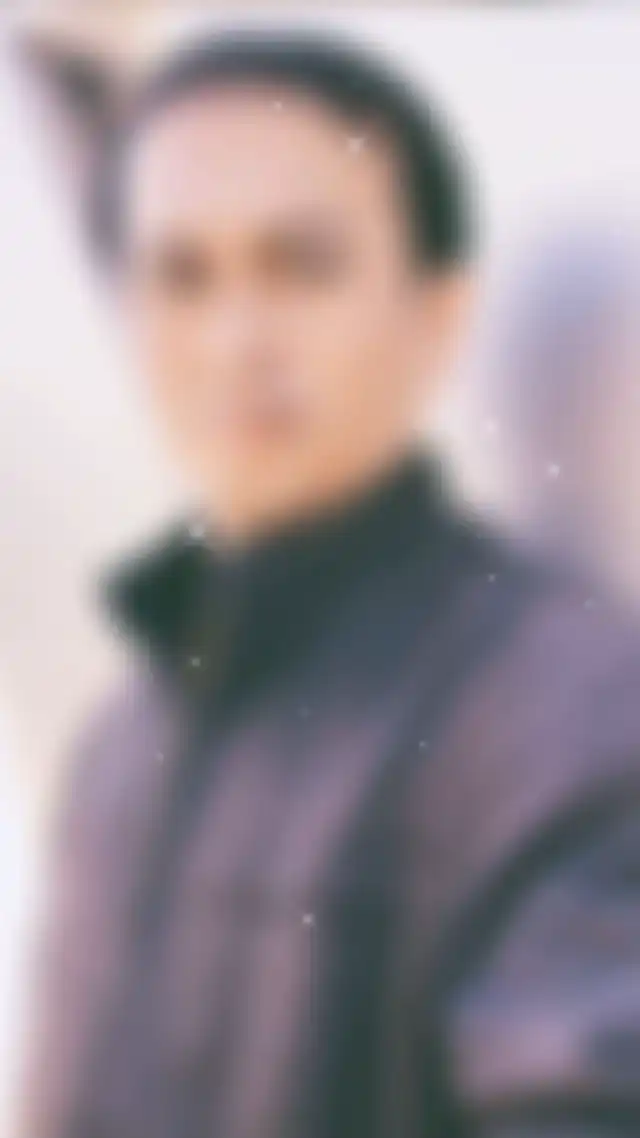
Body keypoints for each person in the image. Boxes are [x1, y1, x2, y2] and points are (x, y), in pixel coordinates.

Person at [21, 31, 640, 1138]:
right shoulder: (123, 739)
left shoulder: (563, 707)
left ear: (437, 310)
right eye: (181, 275)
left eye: (298, 265)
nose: (236, 340)